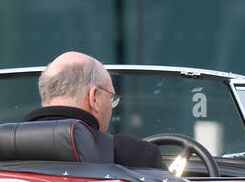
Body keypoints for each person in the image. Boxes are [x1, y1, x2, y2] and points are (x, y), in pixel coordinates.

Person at [22, 51, 164, 170]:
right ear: (93, 98)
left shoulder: (4, 149)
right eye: (111, 98)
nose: (111, 106)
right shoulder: (138, 155)